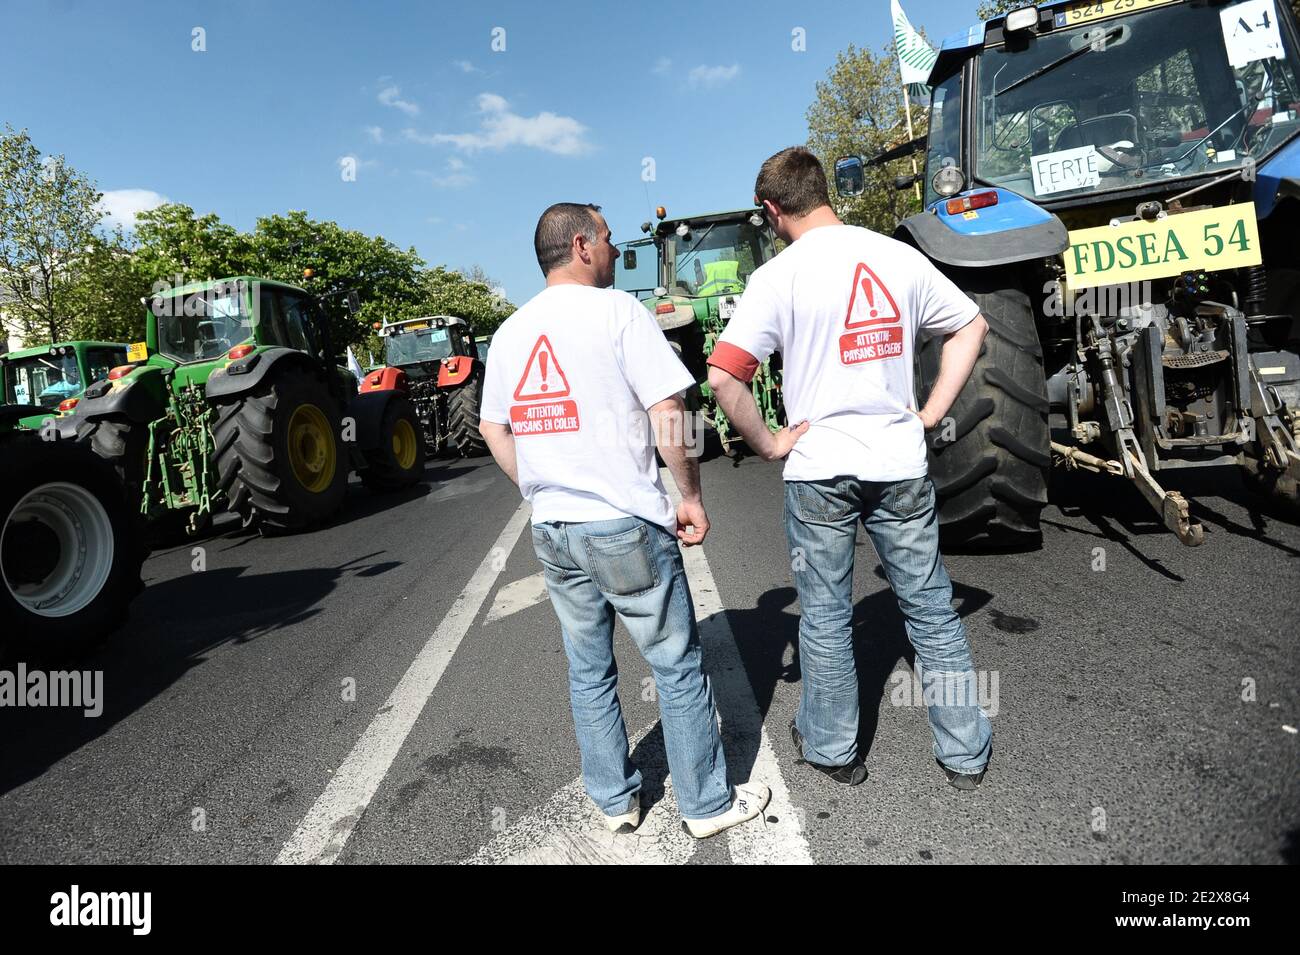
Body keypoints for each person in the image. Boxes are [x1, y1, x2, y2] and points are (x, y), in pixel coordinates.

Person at [479, 202, 770, 837]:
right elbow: (669, 409)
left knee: (589, 671)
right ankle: (706, 806)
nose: (615, 251)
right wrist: (688, 496)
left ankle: (614, 802)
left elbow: (492, 427)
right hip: (623, 525)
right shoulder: (619, 313)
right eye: (608, 240)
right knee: (676, 665)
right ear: (581, 246)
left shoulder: (510, 333)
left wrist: (536, 485)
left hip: (554, 530)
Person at [707, 147, 994, 790]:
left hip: (819, 469)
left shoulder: (777, 278)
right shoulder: (898, 258)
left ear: (773, 208)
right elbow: (972, 328)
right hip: (898, 460)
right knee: (931, 608)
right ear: (826, 191)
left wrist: (770, 442)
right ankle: (965, 754)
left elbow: (725, 375)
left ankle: (835, 750)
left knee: (828, 616)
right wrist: (928, 411)